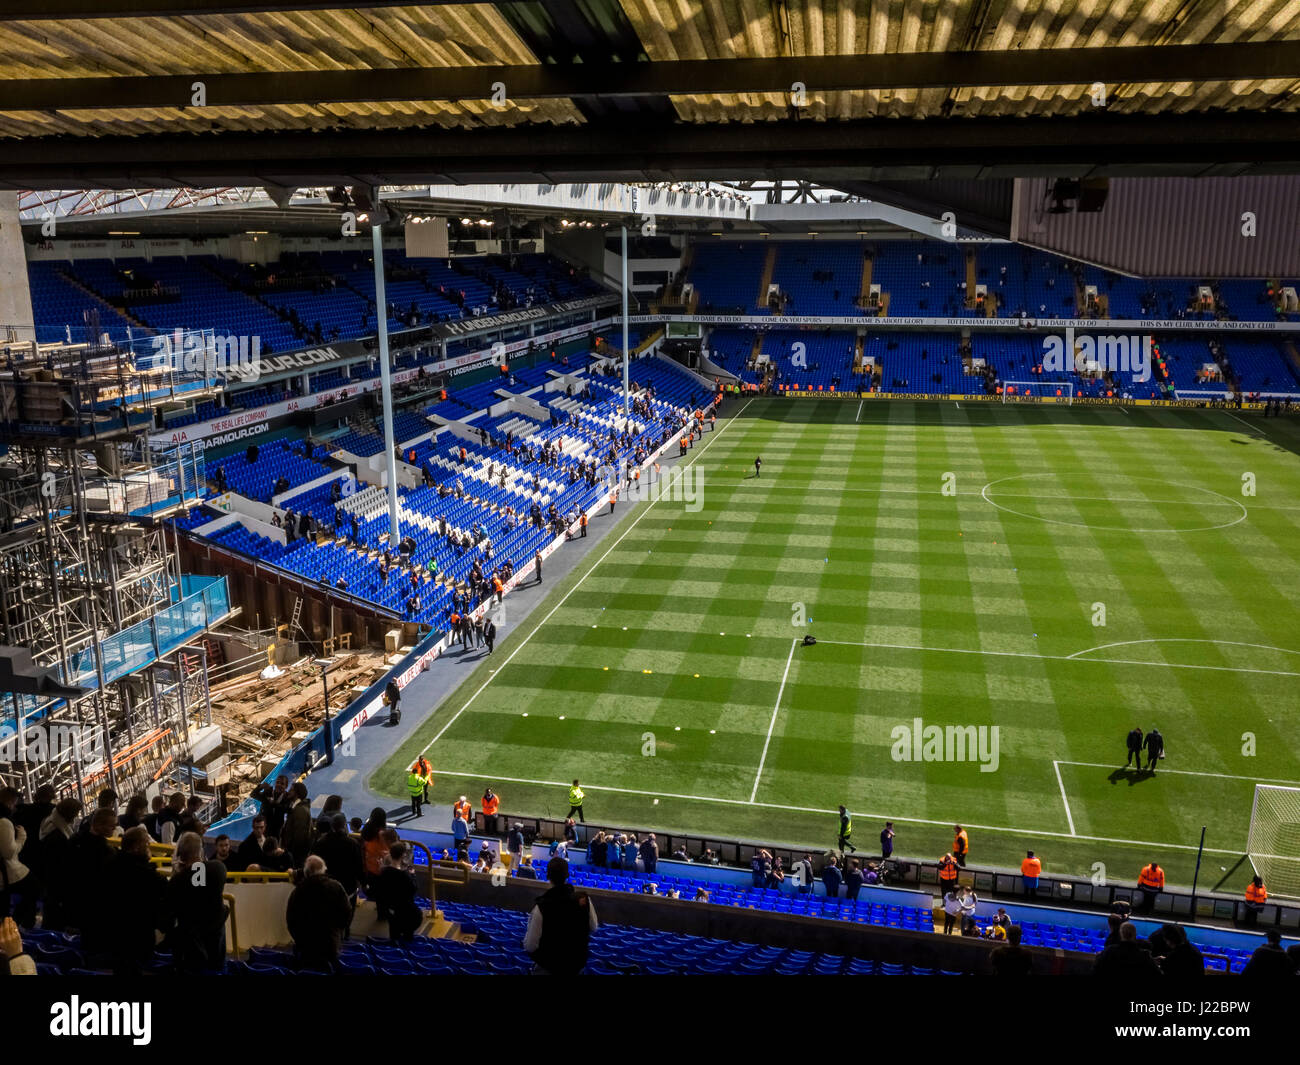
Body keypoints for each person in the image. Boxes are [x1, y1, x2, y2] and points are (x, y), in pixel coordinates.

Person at [104, 825, 168, 976]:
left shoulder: (110, 865)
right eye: (147, 843)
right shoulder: (149, 876)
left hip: (114, 931)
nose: (149, 847)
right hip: (140, 936)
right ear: (136, 847)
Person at [165, 832, 228, 974]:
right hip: (215, 948)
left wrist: (181, 872)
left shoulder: (176, 882)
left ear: (180, 855)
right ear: (200, 851)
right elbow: (199, 877)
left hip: (190, 950)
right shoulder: (217, 869)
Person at [523, 857, 598, 976]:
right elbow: (593, 927)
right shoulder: (584, 900)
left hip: (548, 968)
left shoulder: (541, 907)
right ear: (567, 875)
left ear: (548, 876)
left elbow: (530, 946)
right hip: (575, 967)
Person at [286, 854, 353, 971]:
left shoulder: (297, 891)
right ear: (323, 870)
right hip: (330, 942)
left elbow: (290, 919)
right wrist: (337, 931)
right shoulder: (336, 887)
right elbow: (347, 913)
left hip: (304, 944)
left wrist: (299, 937)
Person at [311, 813, 365, 923]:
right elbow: (359, 866)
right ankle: (345, 933)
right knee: (347, 913)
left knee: (328, 912)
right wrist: (363, 882)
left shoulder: (321, 842)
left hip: (327, 884)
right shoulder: (353, 844)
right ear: (345, 825)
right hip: (348, 886)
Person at [372, 843, 423, 940]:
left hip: (392, 910)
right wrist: (413, 876)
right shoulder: (405, 875)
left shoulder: (384, 872)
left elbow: (379, 890)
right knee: (408, 936)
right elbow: (414, 889)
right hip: (406, 911)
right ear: (403, 855)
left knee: (394, 934)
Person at [280, 782, 314, 867]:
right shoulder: (295, 807)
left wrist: (290, 852)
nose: (288, 792)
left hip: (296, 855)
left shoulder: (300, 810)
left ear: (297, 793)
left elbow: (299, 836)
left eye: (291, 790)